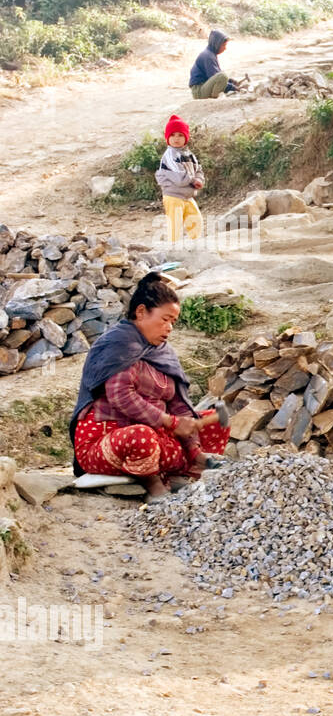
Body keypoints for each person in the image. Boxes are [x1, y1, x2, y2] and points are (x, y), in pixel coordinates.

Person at [70, 274, 230, 501]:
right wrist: (170, 422)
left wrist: (193, 447)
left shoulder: (162, 354)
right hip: (108, 440)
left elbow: (178, 404)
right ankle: (153, 482)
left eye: (173, 322)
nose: (169, 328)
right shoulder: (119, 344)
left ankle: (187, 466)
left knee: (214, 425)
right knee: (141, 436)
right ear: (141, 312)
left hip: (158, 435)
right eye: (165, 319)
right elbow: (121, 396)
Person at [155, 115, 205, 243]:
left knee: (196, 220)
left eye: (180, 135)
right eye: (173, 135)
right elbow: (180, 179)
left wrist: (199, 179)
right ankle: (174, 247)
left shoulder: (189, 155)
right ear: (167, 138)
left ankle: (195, 244)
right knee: (175, 224)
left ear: (186, 138)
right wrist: (193, 181)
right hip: (173, 196)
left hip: (187, 196)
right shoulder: (169, 155)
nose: (176, 139)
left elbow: (198, 169)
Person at [189, 29, 236, 99]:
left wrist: (230, 82)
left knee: (224, 77)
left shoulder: (210, 54)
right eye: (224, 45)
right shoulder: (208, 56)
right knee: (223, 76)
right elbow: (217, 77)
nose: (225, 48)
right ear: (217, 44)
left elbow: (216, 75)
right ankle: (215, 97)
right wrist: (233, 88)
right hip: (198, 91)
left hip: (202, 87)